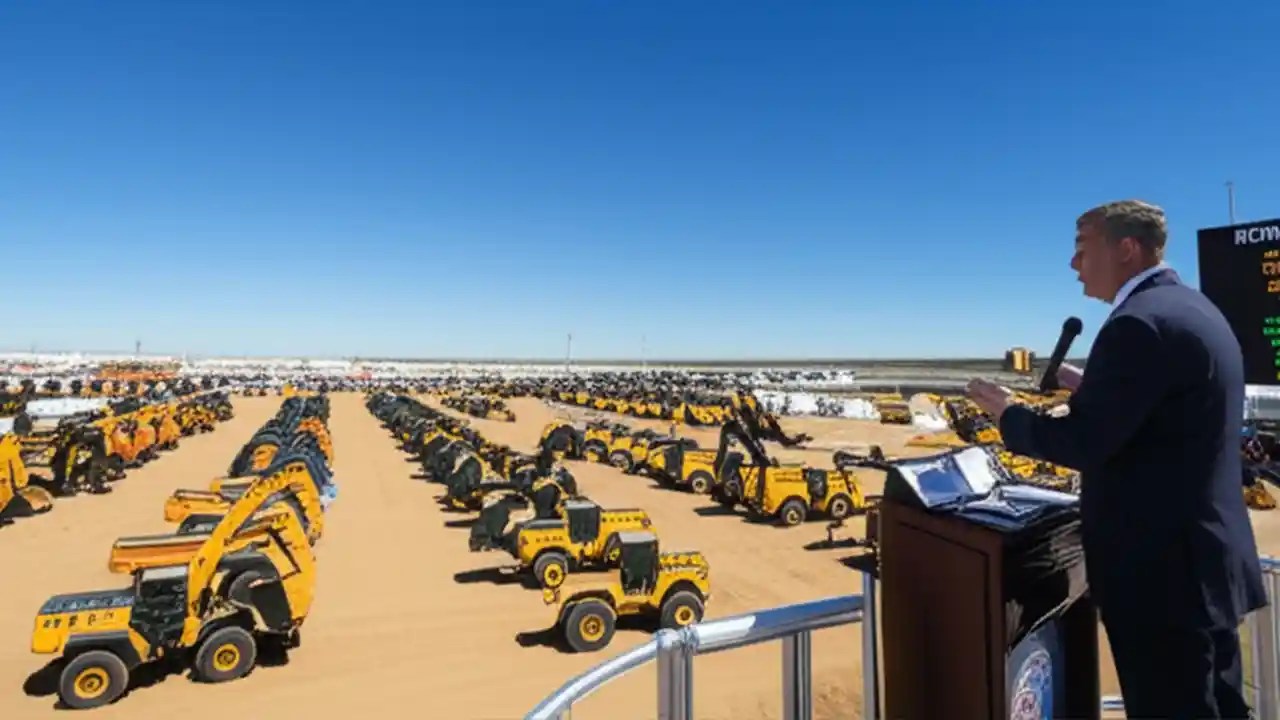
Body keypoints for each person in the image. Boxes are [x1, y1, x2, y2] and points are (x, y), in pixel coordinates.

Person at [966, 200, 1266, 719]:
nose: (1073, 264)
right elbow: (1169, 415)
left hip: (1161, 581)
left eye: (1082, 248)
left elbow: (1082, 443)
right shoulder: (1193, 309)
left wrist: (1008, 415)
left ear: (1126, 249)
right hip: (1204, 568)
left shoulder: (1137, 325)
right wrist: (1095, 389)